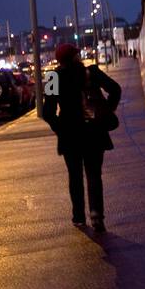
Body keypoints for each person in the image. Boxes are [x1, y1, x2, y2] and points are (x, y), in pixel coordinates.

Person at [43, 43, 121, 232]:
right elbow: (115, 89)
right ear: (77, 56)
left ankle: (78, 216)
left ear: (60, 60)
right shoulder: (91, 73)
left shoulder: (53, 77)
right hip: (94, 130)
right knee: (94, 174)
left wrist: (59, 127)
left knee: (75, 176)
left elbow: (48, 111)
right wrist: (106, 110)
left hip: (69, 134)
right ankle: (96, 215)